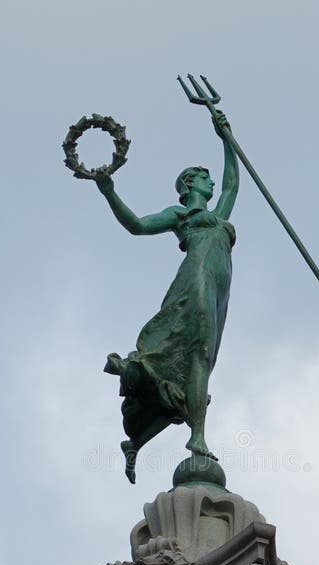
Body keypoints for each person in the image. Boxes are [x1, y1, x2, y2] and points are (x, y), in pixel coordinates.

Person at [95, 110, 239, 483]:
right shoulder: (181, 215)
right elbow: (138, 226)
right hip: (196, 280)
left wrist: (226, 139)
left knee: (200, 358)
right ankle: (197, 435)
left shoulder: (218, 214)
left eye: (210, 178)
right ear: (191, 183)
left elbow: (232, 187)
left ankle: (137, 442)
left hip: (219, 288)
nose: (210, 183)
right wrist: (110, 193)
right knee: (196, 353)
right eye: (204, 177)